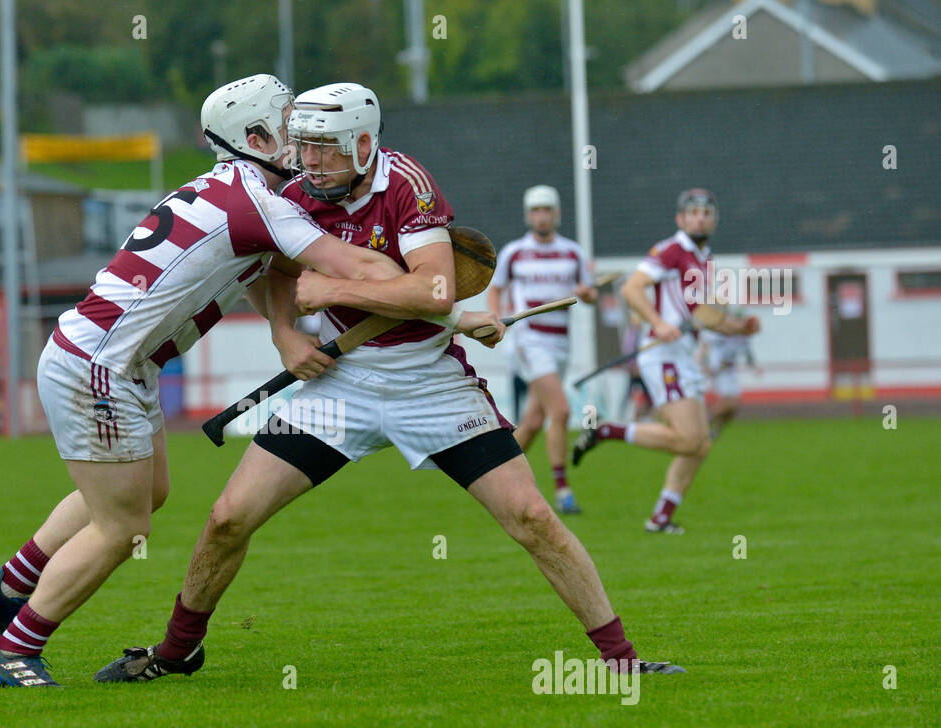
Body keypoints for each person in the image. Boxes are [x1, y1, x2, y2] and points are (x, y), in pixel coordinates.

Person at [91, 82, 684, 684]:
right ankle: (176, 652)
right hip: (340, 385)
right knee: (227, 518)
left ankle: (622, 660)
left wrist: (335, 291)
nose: (308, 160)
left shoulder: (407, 186)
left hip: (430, 383)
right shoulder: (294, 191)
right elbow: (271, 267)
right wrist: (285, 335)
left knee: (532, 517)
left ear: (365, 142)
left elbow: (433, 289)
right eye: (303, 144)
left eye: (324, 147)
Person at [0, 75, 491, 687]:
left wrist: (286, 332)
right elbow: (361, 265)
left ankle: (8, 584)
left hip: (112, 360)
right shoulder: (261, 204)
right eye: (288, 127)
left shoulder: (231, 192)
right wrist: (452, 308)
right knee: (124, 525)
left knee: (144, 493)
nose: (301, 141)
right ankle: (14, 651)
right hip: (100, 366)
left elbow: (254, 267)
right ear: (258, 136)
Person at [572, 189, 760, 533]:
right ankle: (606, 430)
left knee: (699, 446)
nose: (700, 217)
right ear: (680, 219)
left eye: (706, 212)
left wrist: (737, 327)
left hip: (683, 355)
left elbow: (704, 315)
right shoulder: (672, 251)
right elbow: (632, 288)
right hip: (662, 355)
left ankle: (660, 519)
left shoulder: (705, 260)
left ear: (714, 219)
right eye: (693, 212)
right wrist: (658, 323)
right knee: (689, 440)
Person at [485, 185, 597, 515]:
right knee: (560, 411)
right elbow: (497, 289)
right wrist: (495, 317)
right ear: (528, 215)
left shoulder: (573, 252)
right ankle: (563, 491)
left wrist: (587, 293)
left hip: (560, 343)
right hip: (529, 341)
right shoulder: (515, 252)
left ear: (557, 214)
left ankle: (491, 476)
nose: (542, 216)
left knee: (533, 421)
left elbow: (588, 295)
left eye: (547, 210)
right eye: (536, 211)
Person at [696, 320, 756, 439]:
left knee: (734, 408)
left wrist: (753, 365)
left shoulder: (741, 337)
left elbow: (747, 352)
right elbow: (705, 347)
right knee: (729, 403)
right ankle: (701, 426)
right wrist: (703, 364)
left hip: (731, 371)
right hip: (719, 371)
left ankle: (715, 430)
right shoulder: (717, 333)